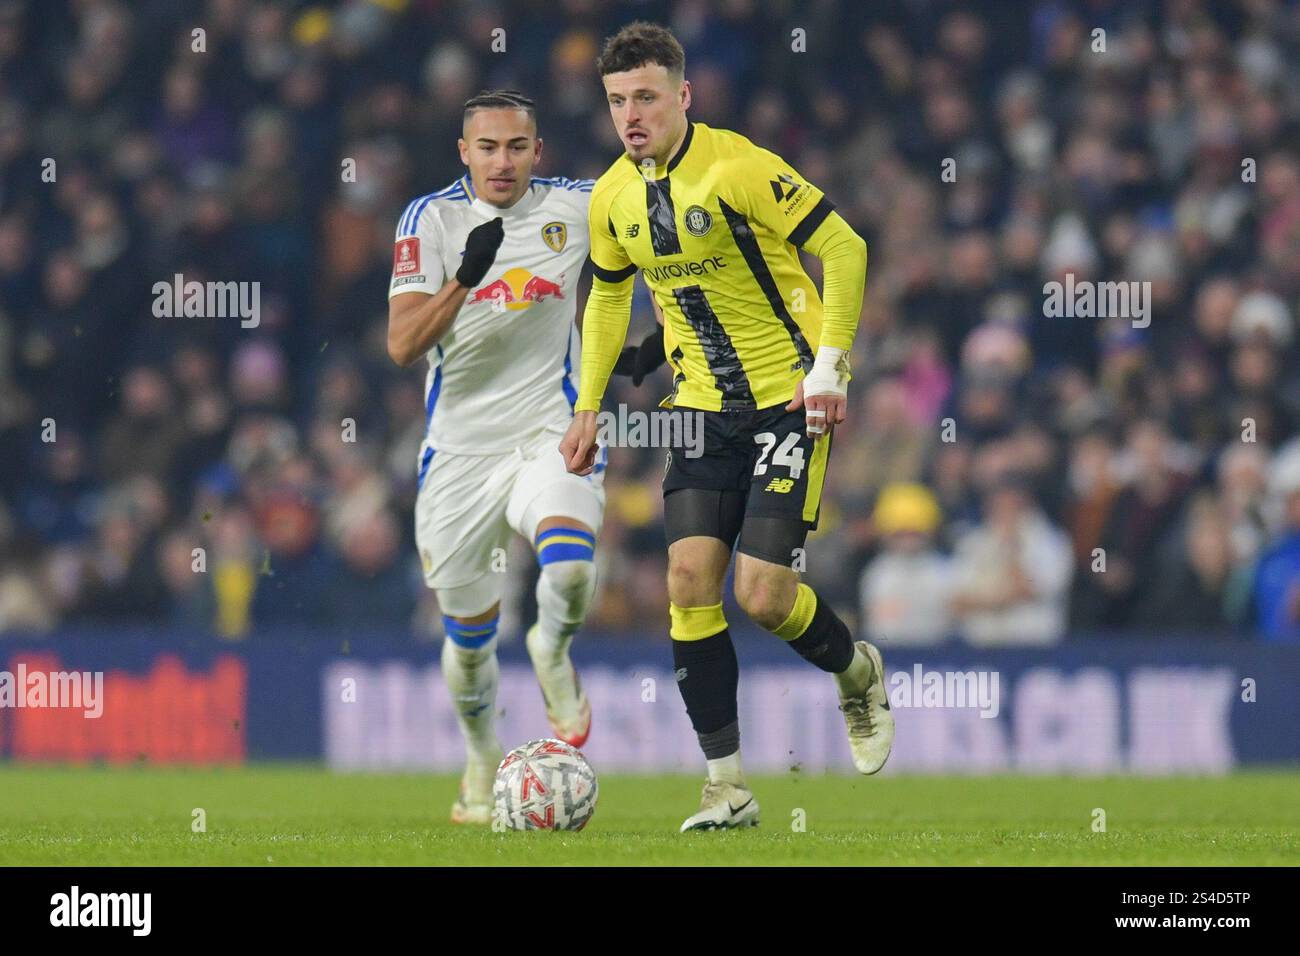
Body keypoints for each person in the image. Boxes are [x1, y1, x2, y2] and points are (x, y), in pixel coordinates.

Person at [559, 23, 891, 832]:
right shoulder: (612, 197)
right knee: (686, 586)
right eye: (616, 101)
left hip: (788, 397)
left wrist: (830, 365)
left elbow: (844, 248)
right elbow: (607, 298)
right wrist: (587, 406)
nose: (630, 115)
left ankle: (855, 672)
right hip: (700, 411)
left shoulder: (738, 167)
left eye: (645, 96)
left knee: (765, 595)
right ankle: (727, 787)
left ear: (683, 96)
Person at [386, 90, 607, 824]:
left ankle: (550, 649)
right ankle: (482, 755)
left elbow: (645, 243)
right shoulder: (431, 219)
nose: (502, 161)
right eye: (487, 147)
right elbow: (401, 344)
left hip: (548, 432)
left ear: (538, 151)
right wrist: (463, 278)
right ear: (464, 152)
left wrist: (639, 350)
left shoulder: (577, 206)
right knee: (471, 645)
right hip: (458, 457)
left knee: (571, 565)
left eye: (517, 146)